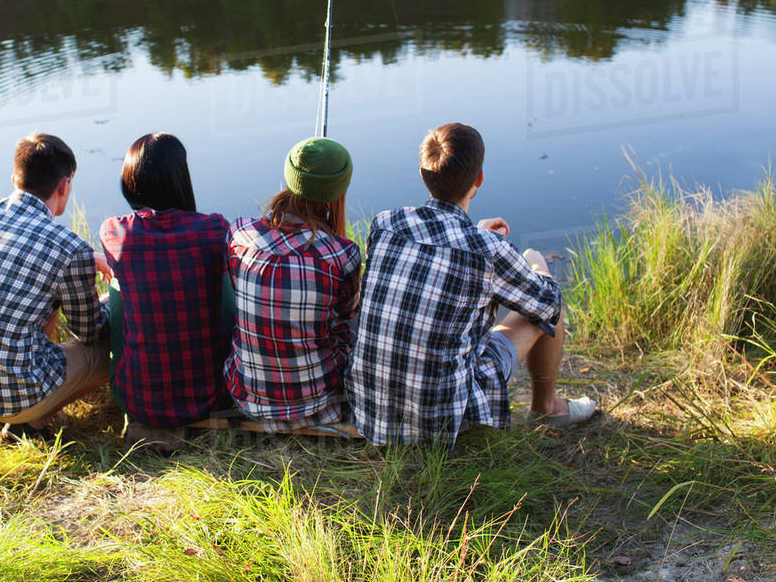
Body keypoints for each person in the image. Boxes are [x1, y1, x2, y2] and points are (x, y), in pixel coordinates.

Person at [347, 122, 595, 445]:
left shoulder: (385, 224)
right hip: (443, 423)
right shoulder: (486, 250)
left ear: (424, 173)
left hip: (370, 411)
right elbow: (548, 305)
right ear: (478, 179)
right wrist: (537, 267)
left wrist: (476, 234)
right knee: (545, 294)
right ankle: (547, 407)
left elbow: (438, 256)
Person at [0, 133, 112, 441]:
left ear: (15, 177)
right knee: (110, 345)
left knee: (44, 296)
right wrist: (107, 300)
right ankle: (31, 421)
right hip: (14, 394)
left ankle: (23, 412)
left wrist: (87, 263)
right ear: (64, 185)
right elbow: (89, 333)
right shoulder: (67, 247)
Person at [224, 137, 362, 431]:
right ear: (339, 191)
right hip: (319, 399)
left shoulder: (238, 233)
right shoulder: (343, 254)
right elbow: (347, 317)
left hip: (248, 396)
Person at [99, 132, 233, 428]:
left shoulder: (114, 233)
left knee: (114, 300)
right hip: (212, 396)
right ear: (180, 177)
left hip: (137, 399)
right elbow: (227, 310)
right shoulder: (215, 229)